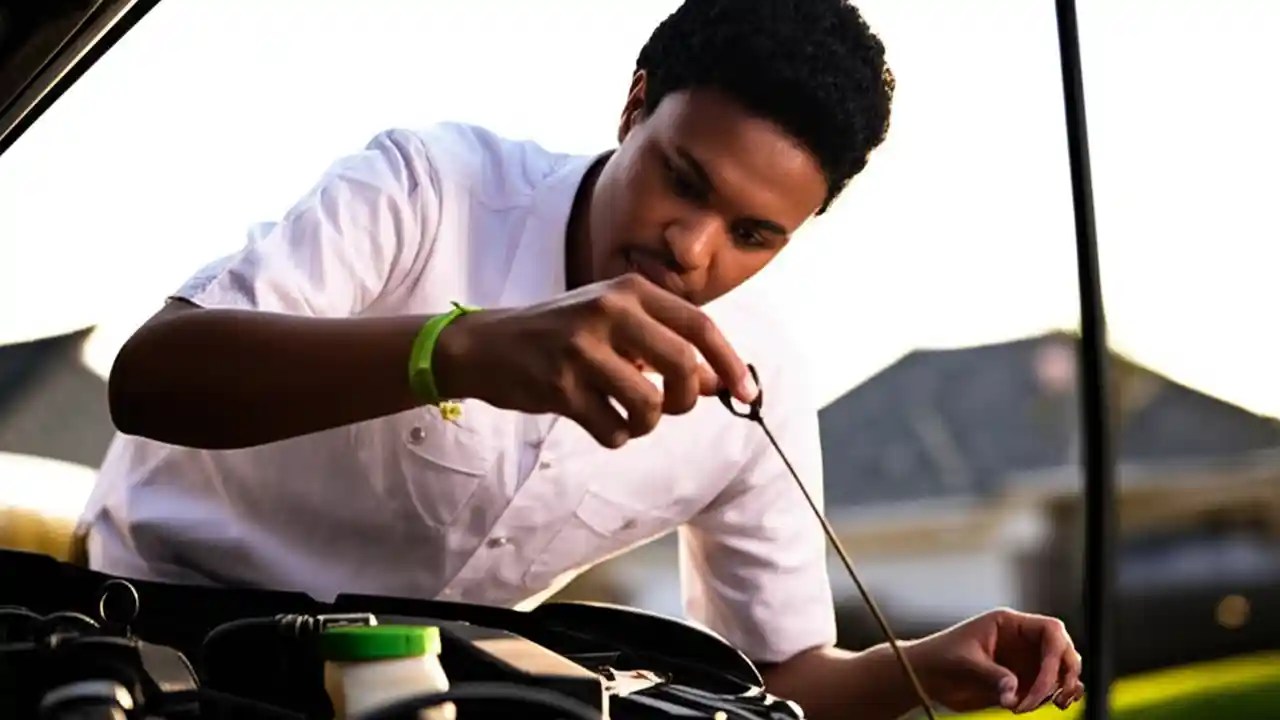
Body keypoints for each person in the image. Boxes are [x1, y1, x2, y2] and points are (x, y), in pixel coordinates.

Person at [80, 0, 1084, 717]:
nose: (692, 248)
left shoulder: (751, 382)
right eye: (680, 180)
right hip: (154, 637)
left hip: (424, 689)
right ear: (634, 105)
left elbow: (777, 678)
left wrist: (910, 669)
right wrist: (457, 349)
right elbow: (155, 376)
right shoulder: (429, 188)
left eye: (752, 234)